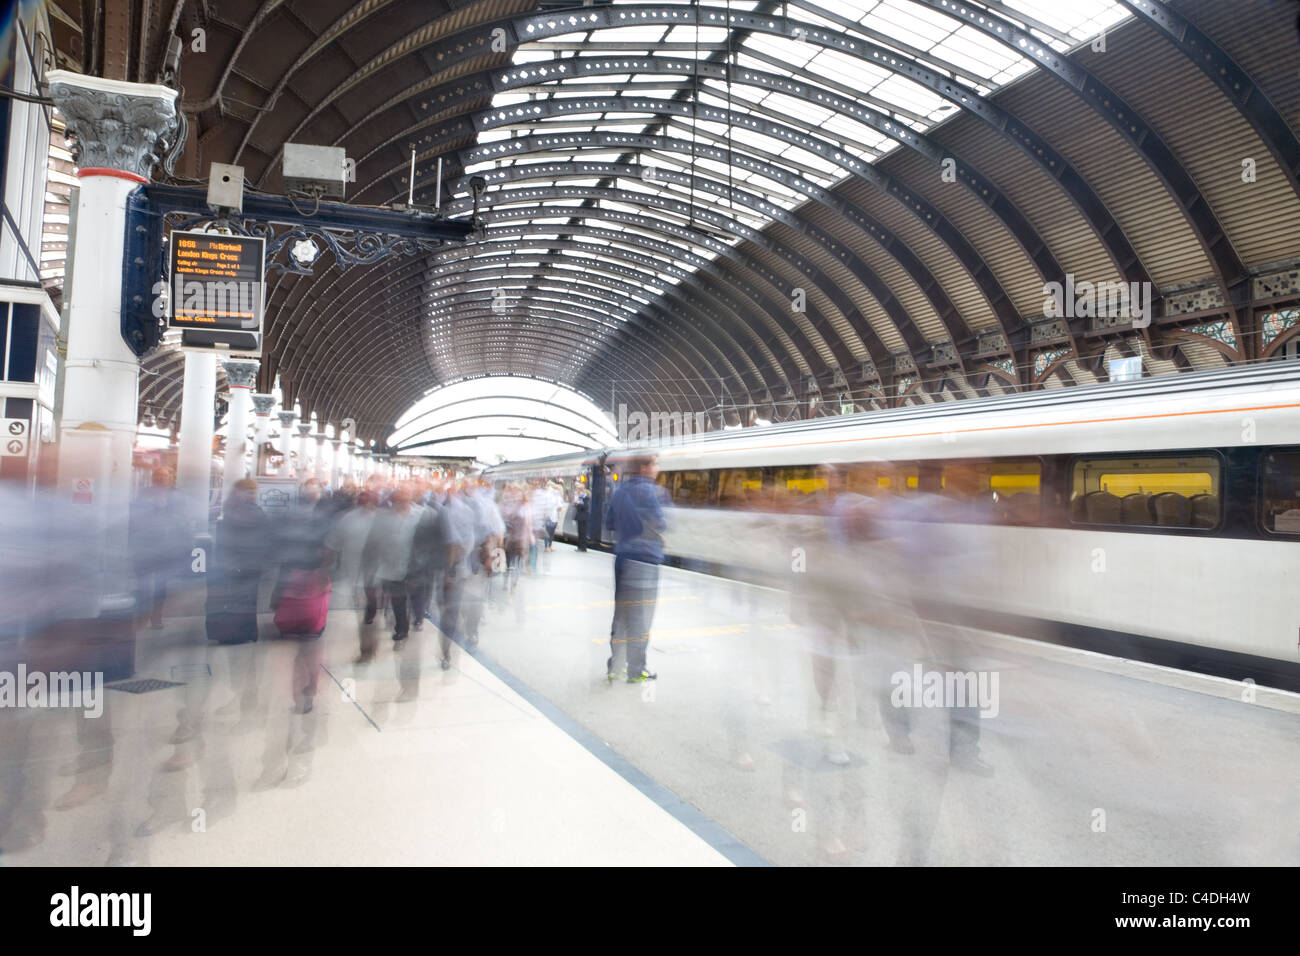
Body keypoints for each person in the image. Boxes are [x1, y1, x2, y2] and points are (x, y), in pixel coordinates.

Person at [605, 456, 669, 683]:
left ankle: (615, 667)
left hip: (622, 558)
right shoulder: (653, 492)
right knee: (641, 617)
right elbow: (662, 523)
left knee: (621, 614)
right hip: (645, 560)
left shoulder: (620, 491)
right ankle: (636, 669)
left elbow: (609, 523)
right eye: (655, 464)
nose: (657, 468)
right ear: (644, 467)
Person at [129, 466, 191, 630]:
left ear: (170, 478)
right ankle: (141, 616)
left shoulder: (177, 495)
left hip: (167, 546)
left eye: (164, 476)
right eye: (158, 476)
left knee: (161, 584)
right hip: (145, 545)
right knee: (142, 584)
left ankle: (157, 616)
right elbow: (135, 517)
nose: (161, 479)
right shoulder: (144, 494)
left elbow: (183, 518)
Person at [573, 485, 590, 552]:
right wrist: (576, 504)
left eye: (577, 490)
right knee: (580, 532)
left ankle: (583, 547)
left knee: (583, 532)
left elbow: (585, 507)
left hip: (583, 517)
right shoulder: (579, 497)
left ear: (580, 490)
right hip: (580, 517)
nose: (577, 491)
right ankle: (579, 547)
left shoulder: (585, 497)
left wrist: (578, 504)